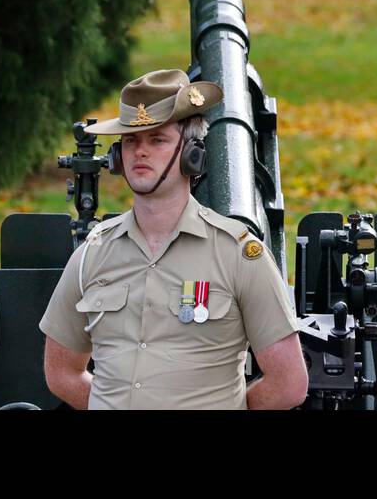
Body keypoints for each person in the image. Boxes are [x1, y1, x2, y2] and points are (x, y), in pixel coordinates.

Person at [39, 68, 307, 409]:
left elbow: (289, 383)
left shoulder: (238, 254)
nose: (141, 152)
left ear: (191, 153)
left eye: (157, 139)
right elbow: (61, 372)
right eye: (131, 141)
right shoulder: (93, 253)